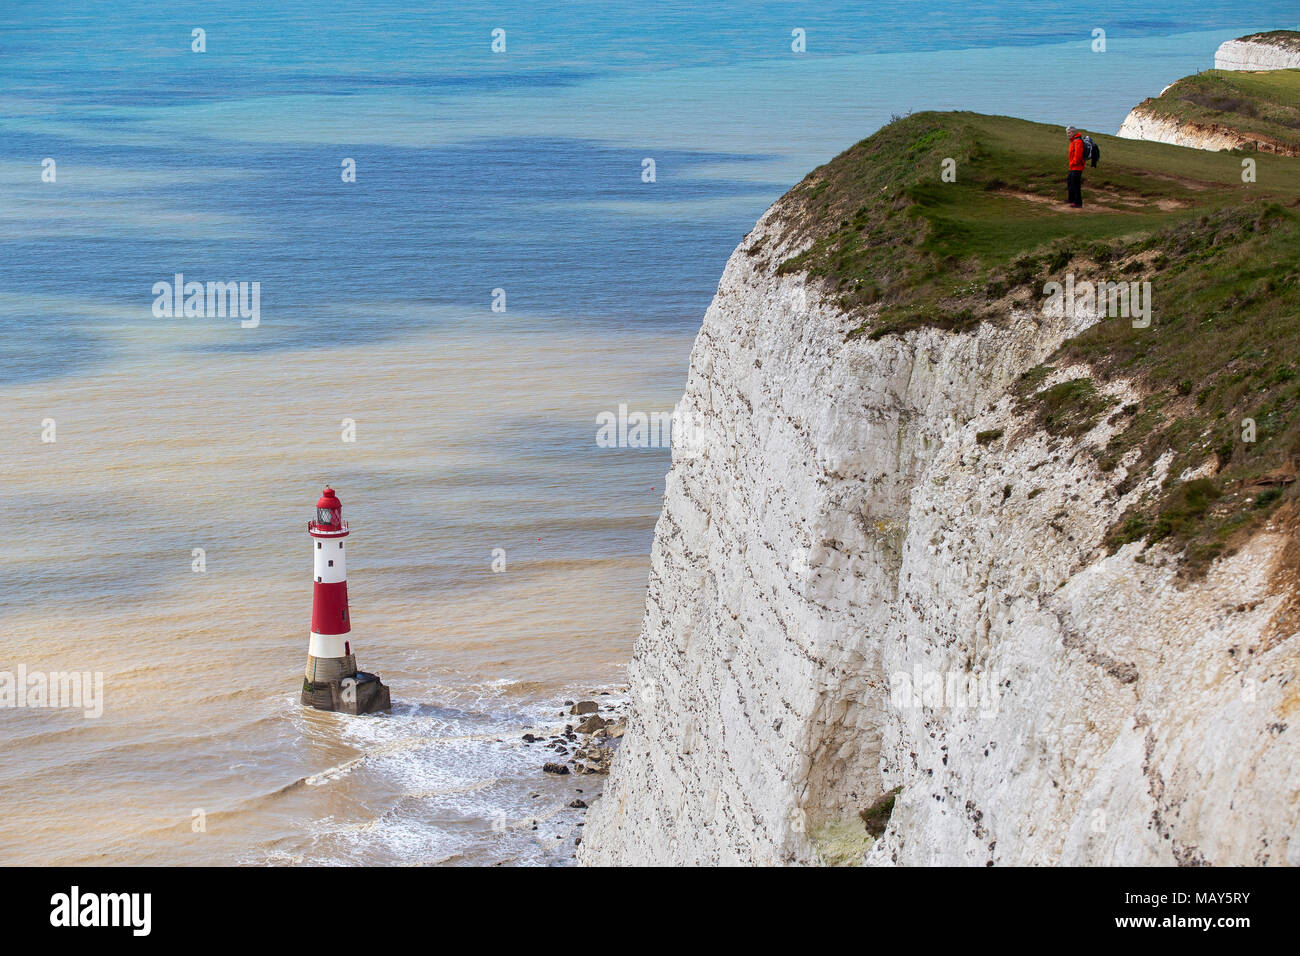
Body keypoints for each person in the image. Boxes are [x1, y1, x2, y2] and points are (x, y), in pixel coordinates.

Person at [1066, 126, 1085, 208]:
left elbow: (1078, 156)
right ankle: (1071, 199)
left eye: (1069, 133)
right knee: (1070, 181)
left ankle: (1078, 203)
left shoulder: (1078, 141)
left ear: (1074, 133)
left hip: (1077, 167)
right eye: (1067, 133)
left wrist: (1073, 163)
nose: (1068, 134)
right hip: (1073, 167)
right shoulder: (1073, 141)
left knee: (1076, 185)